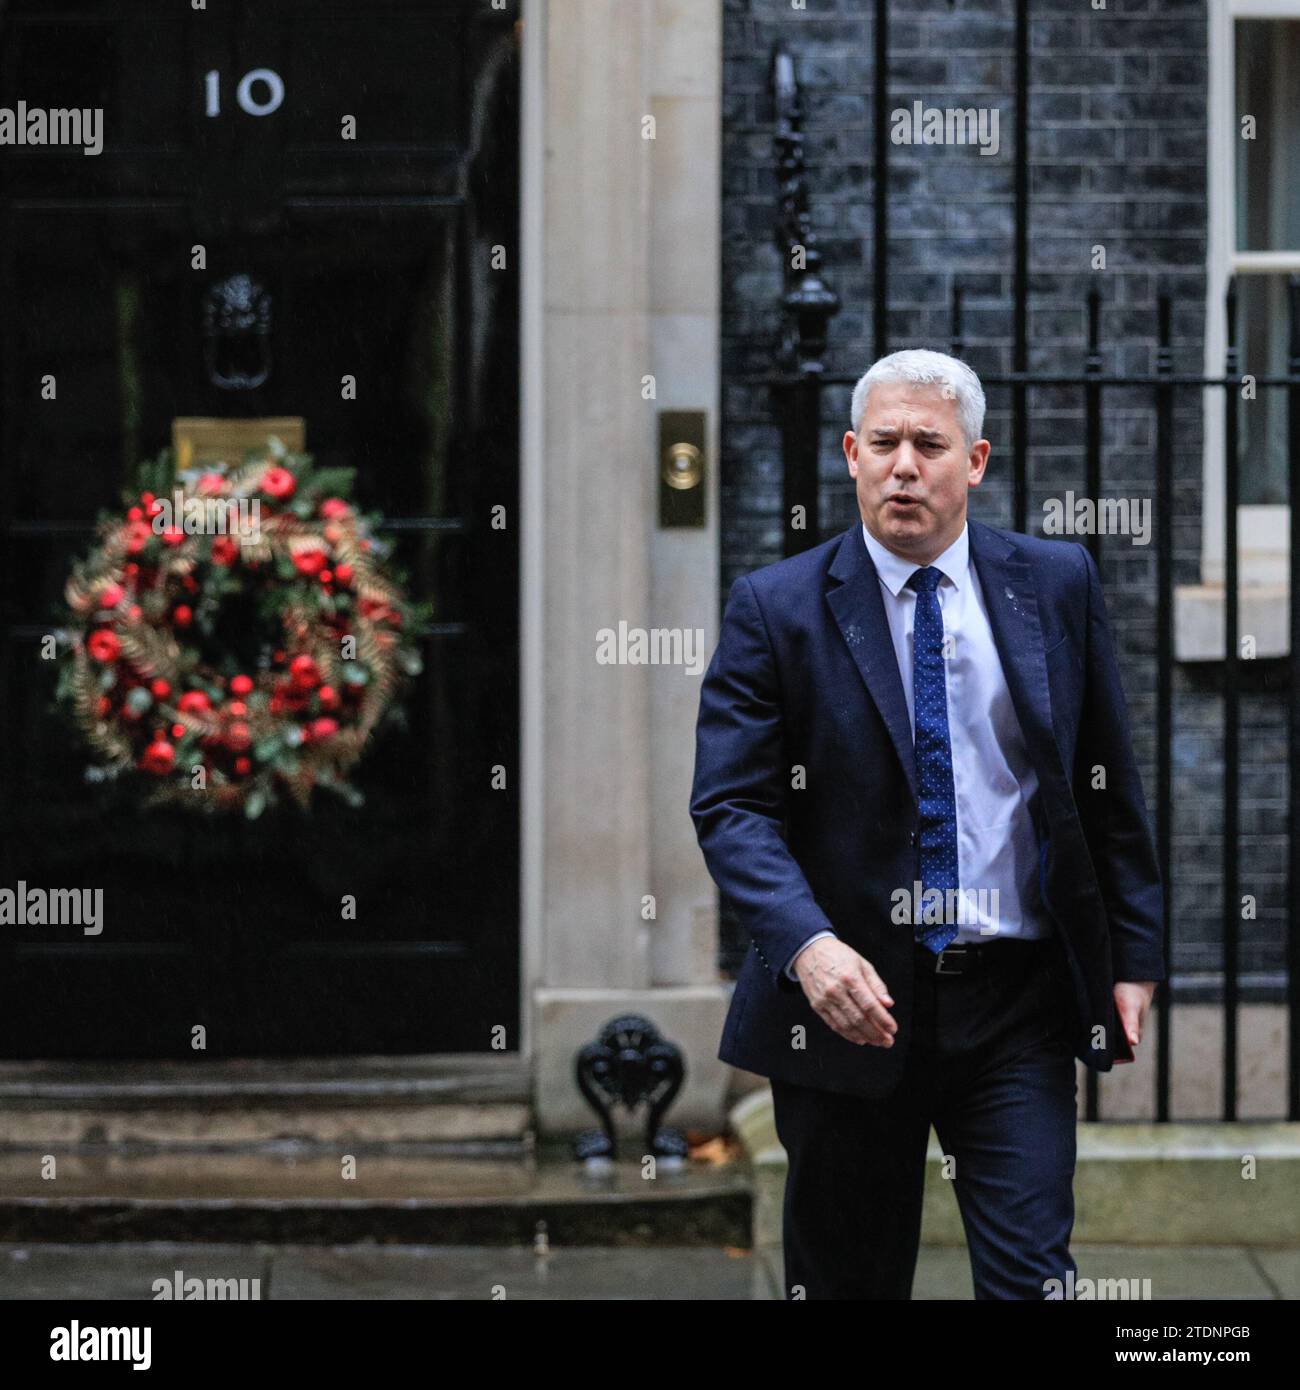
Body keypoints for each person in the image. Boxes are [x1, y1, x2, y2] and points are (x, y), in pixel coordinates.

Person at [690, 349, 1165, 1300]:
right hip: (848, 1007)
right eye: (885, 443)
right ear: (851, 456)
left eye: (929, 444)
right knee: (850, 1284)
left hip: (1015, 1001)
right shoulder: (775, 609)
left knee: (1034, 1278)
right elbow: (733, 806)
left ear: (976, 461)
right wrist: (809, 949)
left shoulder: (1055, 582)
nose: (905, 465)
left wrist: (1135, 955)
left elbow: (1103, 782)